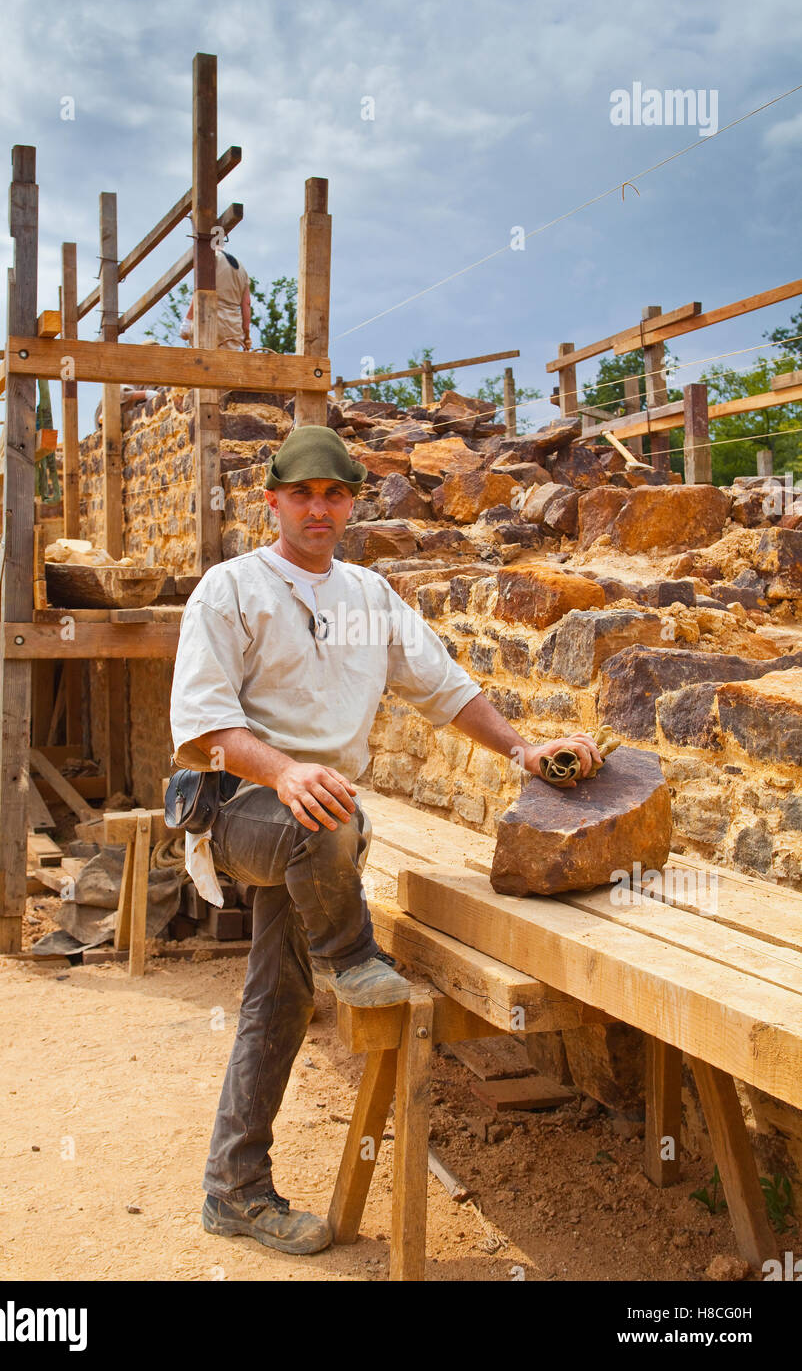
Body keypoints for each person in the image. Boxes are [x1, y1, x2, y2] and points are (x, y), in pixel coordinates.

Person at [169, 425, 603, 1257]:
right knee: (329, 818)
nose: (319, 508)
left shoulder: (369, 596)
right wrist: (285, 772)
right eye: (303, 493)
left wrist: (522, 751)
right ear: (273, 502)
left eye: (334, 494)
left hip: (318, 827)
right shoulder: (231, 590)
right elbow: (200, 735)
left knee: (278, 997)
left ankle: (234, 1191)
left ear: (350, 503)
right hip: (235, 805)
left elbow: (445, 690)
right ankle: (354, 956)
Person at [180, 246, 252, 351]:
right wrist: (246, 335)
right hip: (233, 327)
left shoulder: (210, 257)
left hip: (209, 320)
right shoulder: (242, 268)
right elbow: (247, 303)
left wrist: (187, 321)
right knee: (227, 364)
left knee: (203, 363)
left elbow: (201, 292)